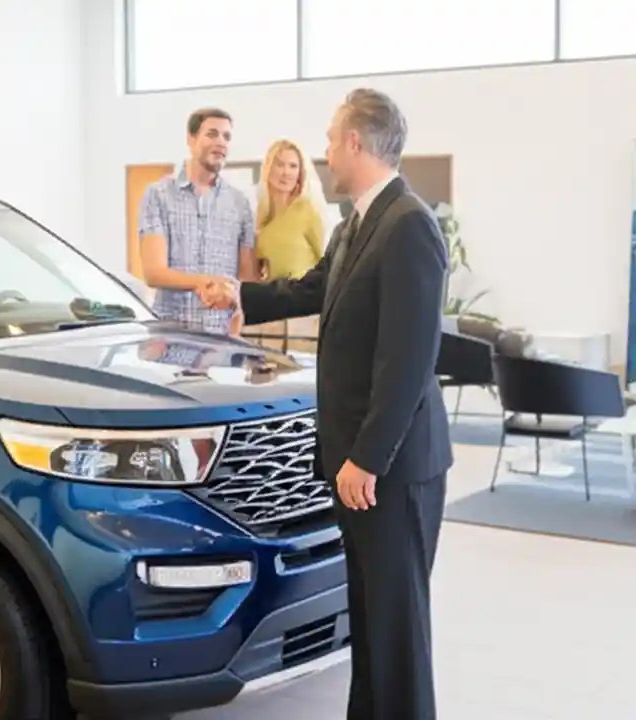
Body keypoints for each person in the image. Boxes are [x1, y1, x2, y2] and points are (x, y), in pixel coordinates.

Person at [219, 88, 453, 720]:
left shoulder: (409, 225)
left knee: (398, 628)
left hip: (393, 468)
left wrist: (368, 458)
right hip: (360, 461)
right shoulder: (359, 221)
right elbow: (319, 286)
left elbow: (407, 360)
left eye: (328, 139)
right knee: (372, 618)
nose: (322, 151)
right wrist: (242, 296)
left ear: (355, 141)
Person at [137, 107, 257, 336]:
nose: (221, 142)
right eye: (212, 134)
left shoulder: (240, 203)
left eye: (226, 137)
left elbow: (246, 278)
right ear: (191, 139)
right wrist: (204, 281)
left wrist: (235, 307)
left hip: (222, 340)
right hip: (169, 337)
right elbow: (154, 272)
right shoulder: (158, 195)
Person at [254, 138, 326, 280]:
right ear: (269, 168)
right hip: (272, 297)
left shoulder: (308, 211)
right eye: (280, 165)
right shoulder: (261, 215)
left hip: (303, 296)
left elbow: (325, 262)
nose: (286, 172)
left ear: (300, 173)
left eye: (293, 166)